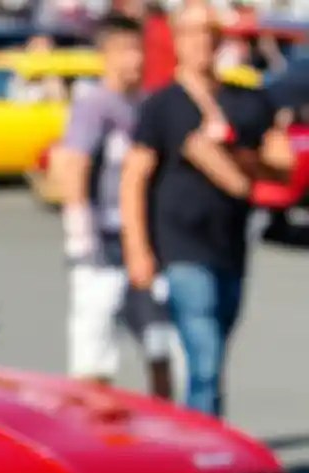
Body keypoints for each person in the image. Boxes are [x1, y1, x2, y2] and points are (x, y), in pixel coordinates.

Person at [120, 3, 290, 417]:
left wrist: (234, 157)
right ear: (177, 40)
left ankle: (200, 435)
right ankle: (205, 449)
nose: (202, 43)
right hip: (181, 246)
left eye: (209, 34)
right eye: (192, 33)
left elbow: (282, 164)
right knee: (204, 360)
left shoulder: (247, 101)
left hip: (230, 246)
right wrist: (137, 250)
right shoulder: (162, 105)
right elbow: (134, 178)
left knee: (215, 354)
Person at [54, 14, 173, 398]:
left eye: (138, 50)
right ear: (104, 55)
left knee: (159, 343)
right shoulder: (94, 105)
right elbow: (73, 164)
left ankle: (166, 421)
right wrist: (80, 234)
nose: (134, 60)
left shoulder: (148, 105)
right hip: (102, 243)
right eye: (123, 51)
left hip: (145, 242)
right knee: (96, 348)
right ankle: (92, 419)